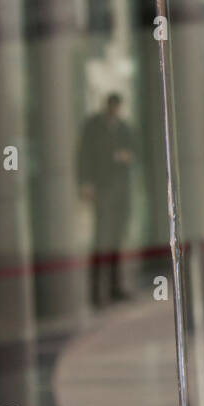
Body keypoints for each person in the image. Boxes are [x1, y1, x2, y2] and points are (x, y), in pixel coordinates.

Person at [77, 92, 137, 305]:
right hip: (103, 188)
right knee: (101, 240)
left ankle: (114, 287)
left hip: (120, 188)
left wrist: (125, 157)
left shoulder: (124, 128)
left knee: (116, 239)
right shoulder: (93, 127)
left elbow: (133, 153)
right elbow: (84, 155)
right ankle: (96, 292)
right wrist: (86, 183)